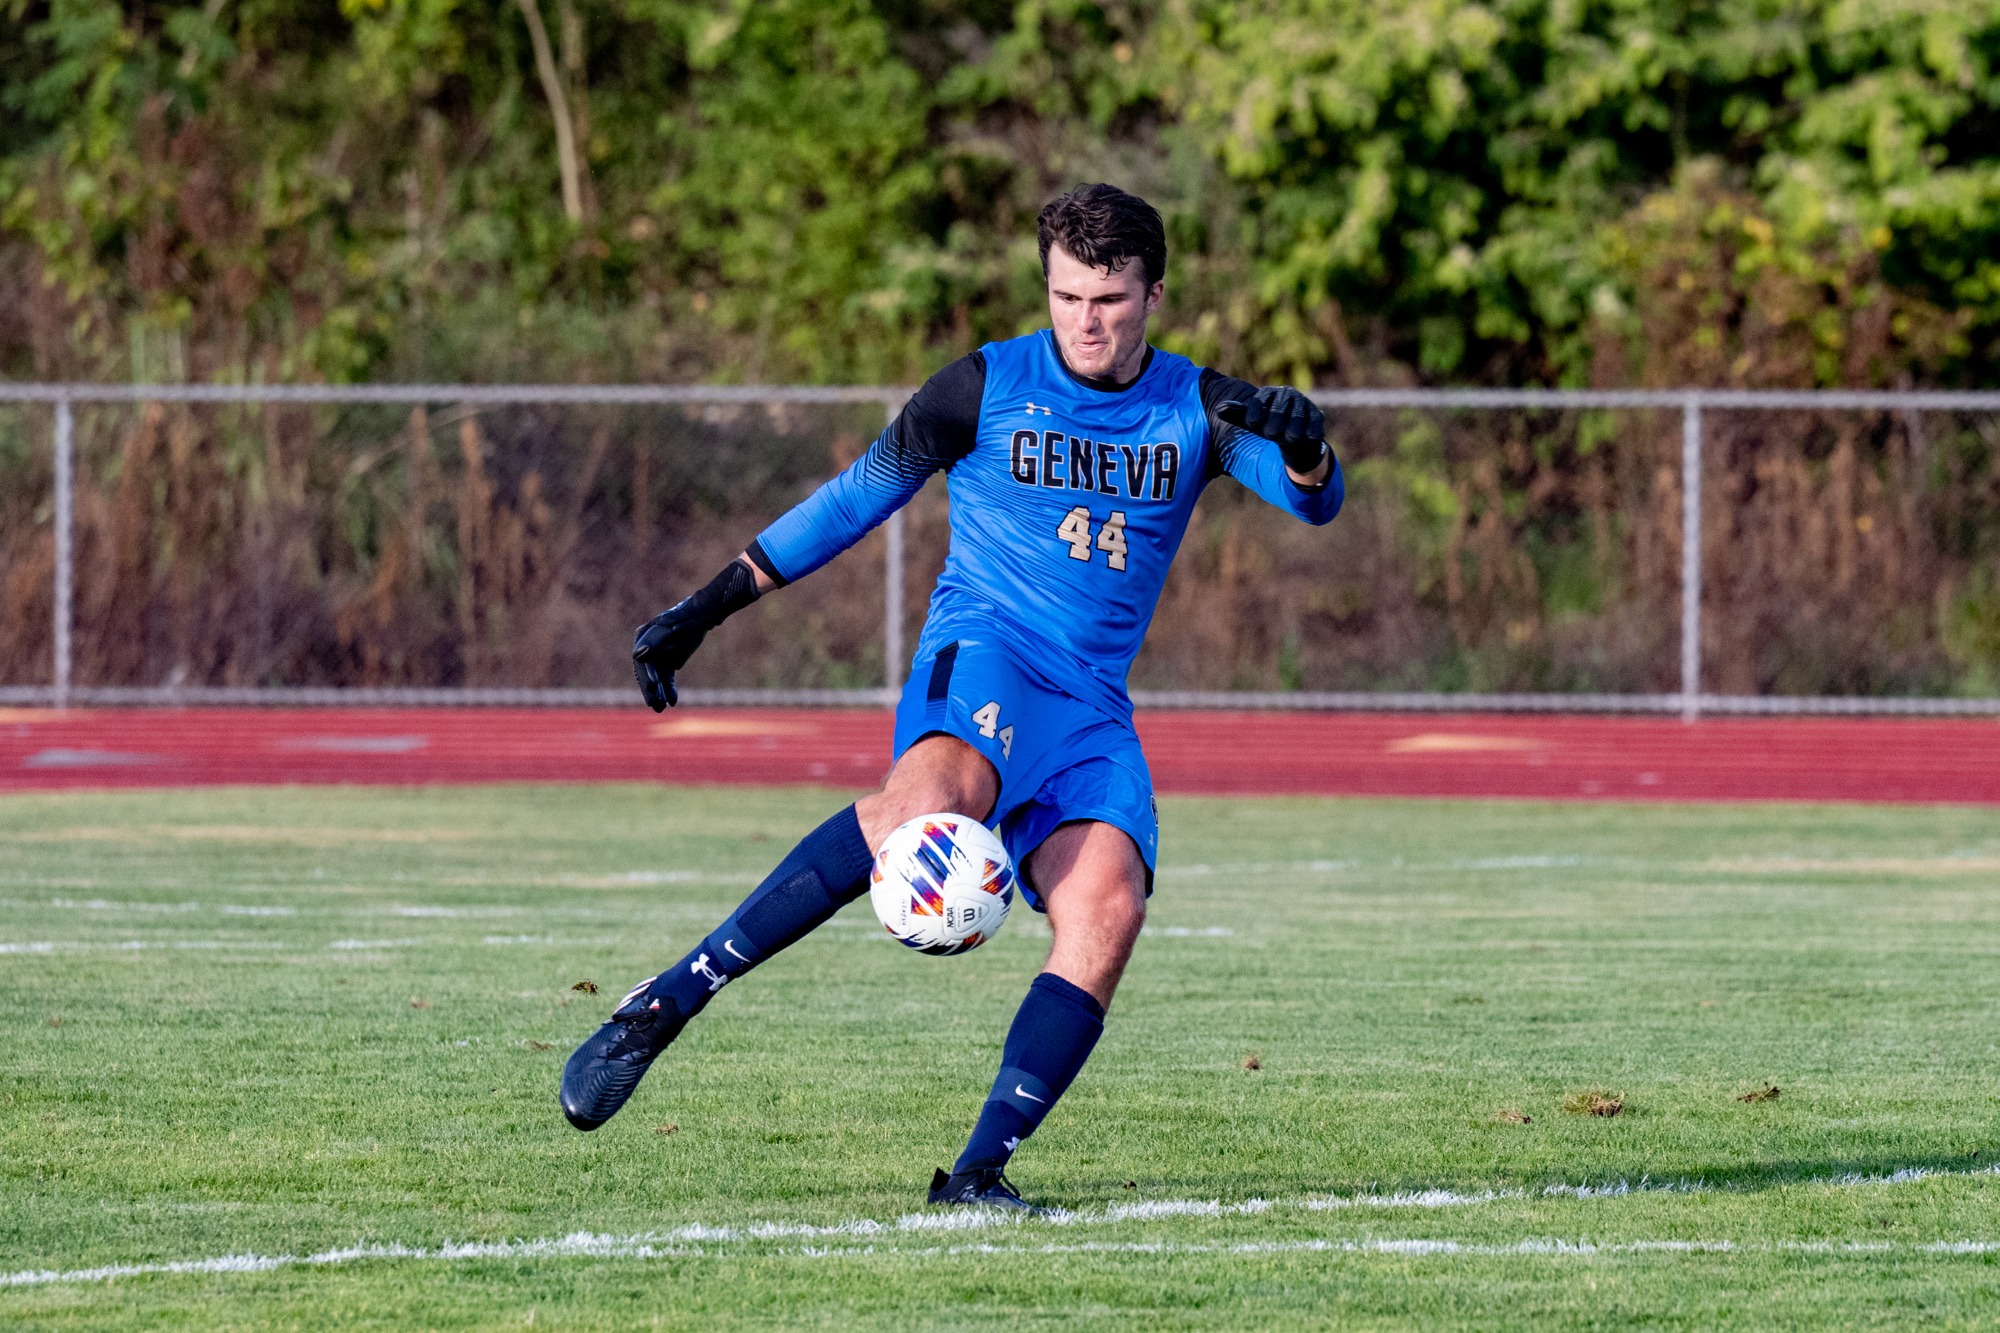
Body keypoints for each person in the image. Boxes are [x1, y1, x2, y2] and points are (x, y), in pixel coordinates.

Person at [561, 183, 1343, 1210]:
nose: (1085, 320)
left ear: (1154, 292)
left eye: (1108, 297)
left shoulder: (1200, 405)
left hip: (1089, 705)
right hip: (986, 650)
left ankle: (976, 1174)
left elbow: (1311, 500)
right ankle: (662, 1004)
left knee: (1107, 909)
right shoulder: (981, 385)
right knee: (930, 800)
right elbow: (852, 498)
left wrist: (1302, 441)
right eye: (1066, 296)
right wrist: (703, 608)